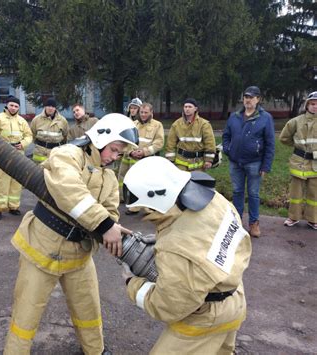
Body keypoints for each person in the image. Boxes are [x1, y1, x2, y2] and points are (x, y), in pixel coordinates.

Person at [4, 114, 139, 355]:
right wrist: (105, 225)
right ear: (101, 138)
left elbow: (111, 211)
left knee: (89, 310)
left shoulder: (107, 176)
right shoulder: (67, 155)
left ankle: (95, 351)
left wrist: (110, 228)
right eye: (114, 150)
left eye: (119, 154)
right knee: (26, 313)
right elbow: (69, 190)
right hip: (41, 249)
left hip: (80, 255)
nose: (115, 157)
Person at [122, 156, 251, 354]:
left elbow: (169, 306)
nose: (143, 213)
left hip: (206, 317)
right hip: (235, 298)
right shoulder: (215, 200)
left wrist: (133, 284)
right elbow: (204, 239)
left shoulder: (175, 246)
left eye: (144, 208)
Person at [222, 86, 275, 238]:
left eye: (251, 97)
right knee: (237, 192)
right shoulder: (234, 116)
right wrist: (228, 149)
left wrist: (266, 166)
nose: (248, 100)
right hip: (235, 162)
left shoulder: (265, 118)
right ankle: (237, 222)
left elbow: (270, 144)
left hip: (255, 163)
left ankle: (254, 223)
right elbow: (226, 136)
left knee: (253, 194)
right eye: (246, 97)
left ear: (258, 99)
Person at [0, 96, 33, 220]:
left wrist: (23, 144)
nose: (13, 108)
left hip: (18, 155)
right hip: (3, 155)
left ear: (18, 107)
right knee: (2, 182)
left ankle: (13, 207)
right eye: (12, 105)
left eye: (16, 106)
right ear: (7, 105)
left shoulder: (22, 121)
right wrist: (3, 147)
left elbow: (29, 135)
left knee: (16, 182)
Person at [279, 91, 317, 230]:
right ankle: (293, 217)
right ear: (307, 105)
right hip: (299, 162)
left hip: (315, 165)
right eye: (312, 104)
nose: (315, 107)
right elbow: (283, 138)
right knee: (296, 193)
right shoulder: (296, 121)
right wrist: (297, 146)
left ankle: (313, 219)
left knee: (314, 194)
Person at [117, 102, 164, 213]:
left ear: (151, 112)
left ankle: (147, 206)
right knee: (130, 182)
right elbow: (126, 141)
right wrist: (130, 152)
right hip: (130, 159)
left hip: (147, 160)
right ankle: (131, 203)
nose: (143, 115)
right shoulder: (133, 124)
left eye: (146, 112)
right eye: (141, 112)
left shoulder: (157, 125)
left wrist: (144, 152)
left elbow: (159, 142)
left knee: (146, 183)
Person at [165, 98, 216, 171]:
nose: (187, 109)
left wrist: (208, 160)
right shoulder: (176, 124)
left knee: (197, 182)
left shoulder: (204, 124)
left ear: (195, 109)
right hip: (181, 163)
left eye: (190, 107)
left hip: (198, 163)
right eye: (185, 107)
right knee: (182, 182)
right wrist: (170, 160)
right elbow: (170, 144)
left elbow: (210, 143)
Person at [30, 97, 69, 164]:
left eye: (53, 106)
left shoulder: (62, 121)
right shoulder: (36, 120)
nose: (50, 108)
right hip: (39, 152)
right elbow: (32, 134)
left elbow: (65, 136)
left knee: (54, 172)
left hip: (55, 152)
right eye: (48, 106)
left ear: (55, 108)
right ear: (45, 107)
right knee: (38, 172)